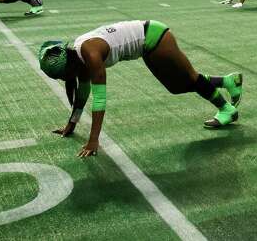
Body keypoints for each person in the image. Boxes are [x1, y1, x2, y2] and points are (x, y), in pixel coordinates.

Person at [37, 22, 244, 157]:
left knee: (189, 78)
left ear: (69, 65)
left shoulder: (90, 55)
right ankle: (227, 82)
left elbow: (99, 100)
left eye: (62, 75)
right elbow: (82, 96)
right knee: (176, 86)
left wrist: (93, 140)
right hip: (146, 44)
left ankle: (227, 109)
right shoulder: (78, 58)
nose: (63, 79)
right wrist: (71, 125)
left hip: (155, 38)